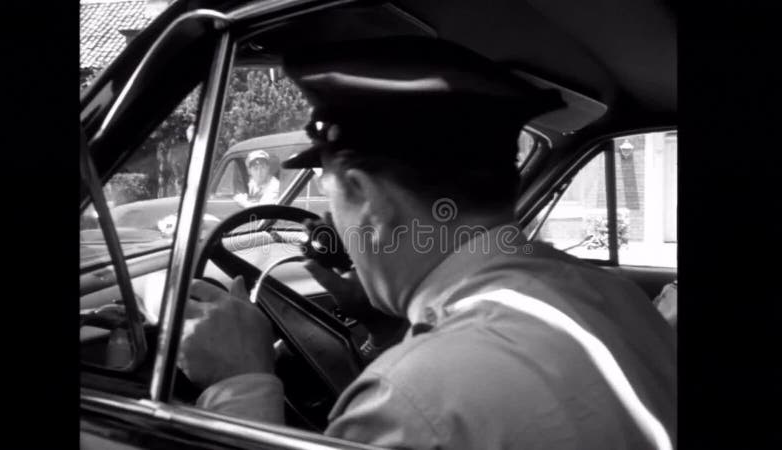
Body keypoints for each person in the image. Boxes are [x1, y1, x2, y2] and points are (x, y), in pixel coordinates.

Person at [178, 36, 676, 449]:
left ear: (364, 195)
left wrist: (238, 385)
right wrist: (387, 327)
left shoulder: (407, 404)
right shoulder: (614, 296)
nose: (333, 220)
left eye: (333, 197)